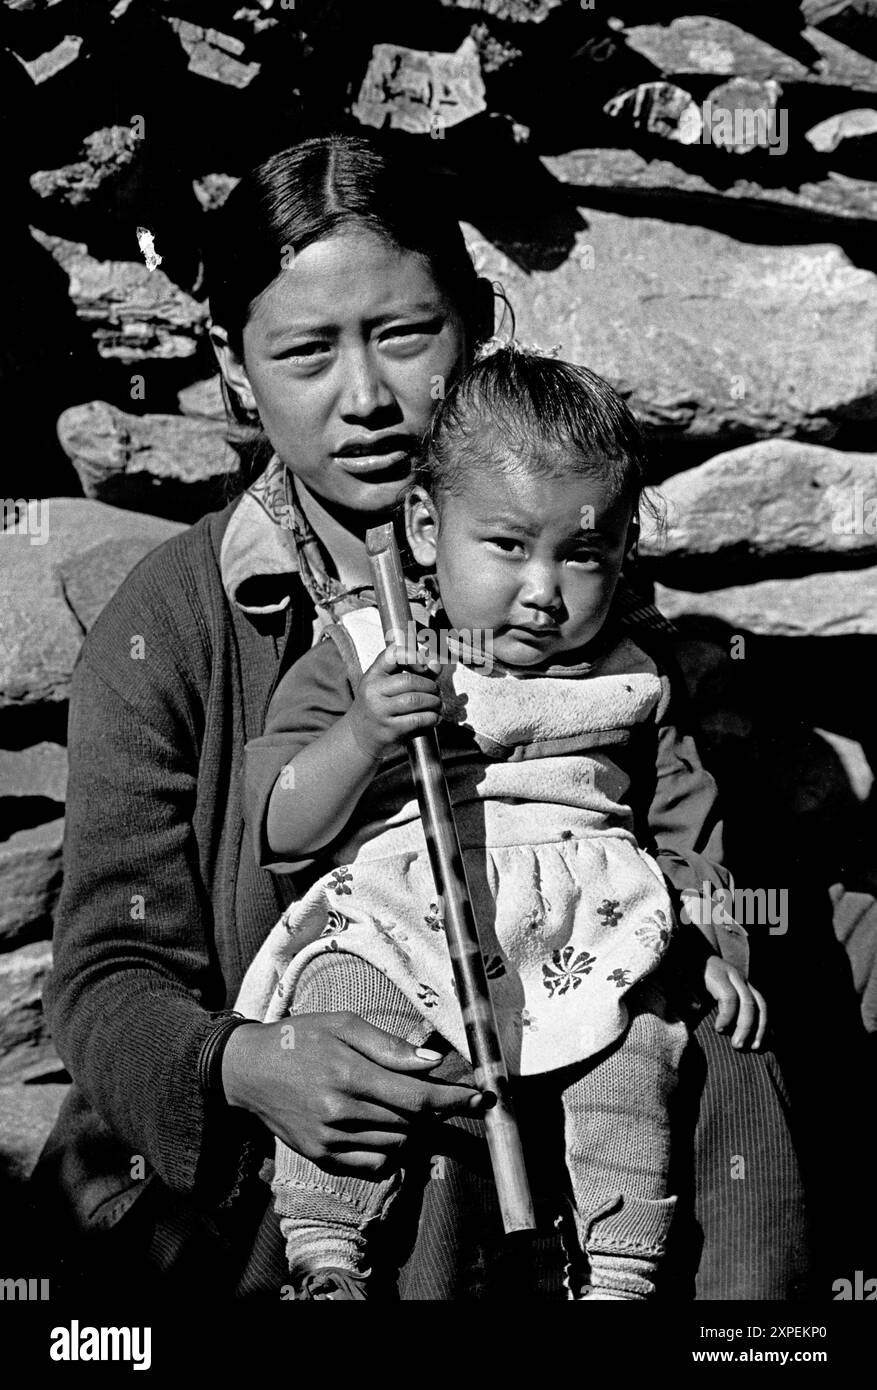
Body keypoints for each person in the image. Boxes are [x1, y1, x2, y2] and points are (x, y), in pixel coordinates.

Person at [36, 133, 810, 1300]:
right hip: (302, 1120)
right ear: (232, 366)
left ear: (478, 320)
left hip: (567, 1033)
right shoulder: (178, 619)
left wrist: (707, 945)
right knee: (427, 1104)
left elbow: (672, 819)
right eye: (304, 352)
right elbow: (110, 969)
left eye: (407, 336)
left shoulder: (571, 587)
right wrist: (245, 1062)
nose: (366, 399)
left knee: (720, 1058)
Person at [236, 347, 768, 1300]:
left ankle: (620, 1270)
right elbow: (281, 825)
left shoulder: (633, 679)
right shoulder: (370, 656)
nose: (544, 589)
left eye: (583, 554)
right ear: (428, 527)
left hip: (580, 931)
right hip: (410, 922)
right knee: (348, 1006)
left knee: (641, 1044)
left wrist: (711, 938)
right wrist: (364, 734)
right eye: (509, 545)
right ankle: (324, 1254)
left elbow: (688, 836)